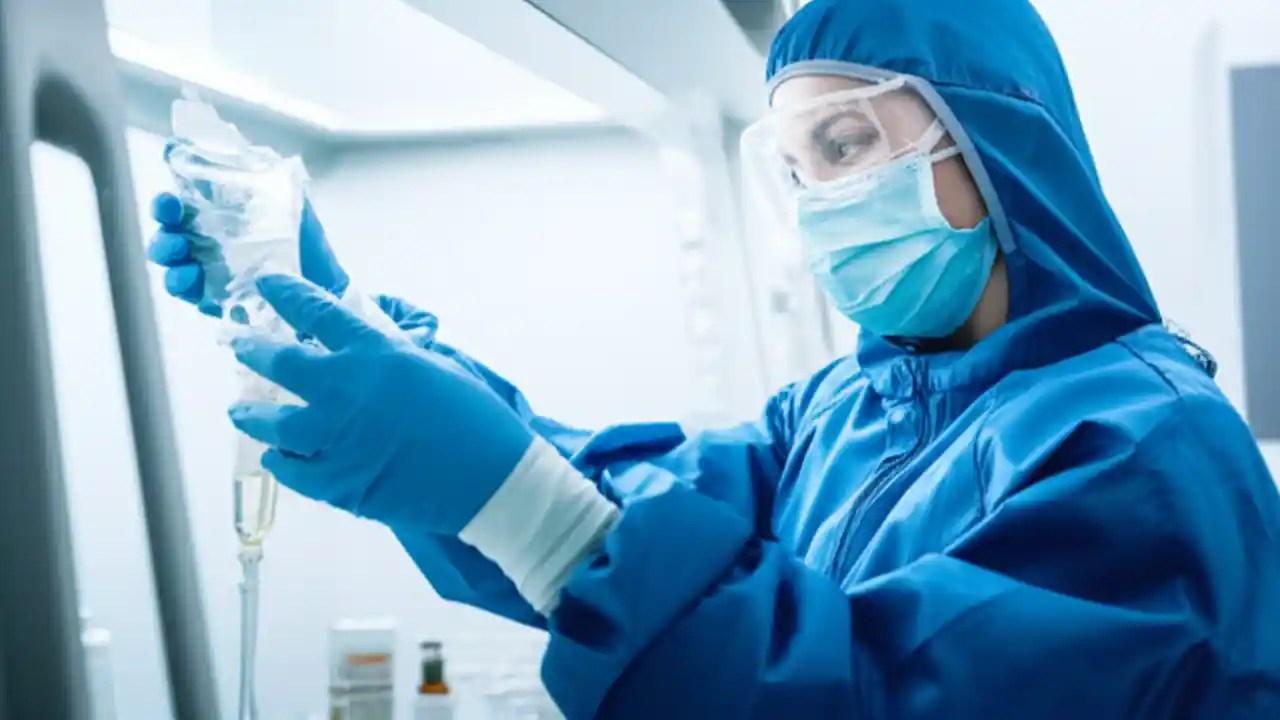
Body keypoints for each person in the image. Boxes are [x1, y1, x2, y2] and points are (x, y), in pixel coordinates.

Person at [147, 0, 1280, 717]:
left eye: (844, 145)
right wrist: (353, 330)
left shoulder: (1140, 447)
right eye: (793, 165)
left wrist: (521, 504)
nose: (814, 202)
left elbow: (876, 699)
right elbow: (619, 520)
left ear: (994, 145)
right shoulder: (840, 410)